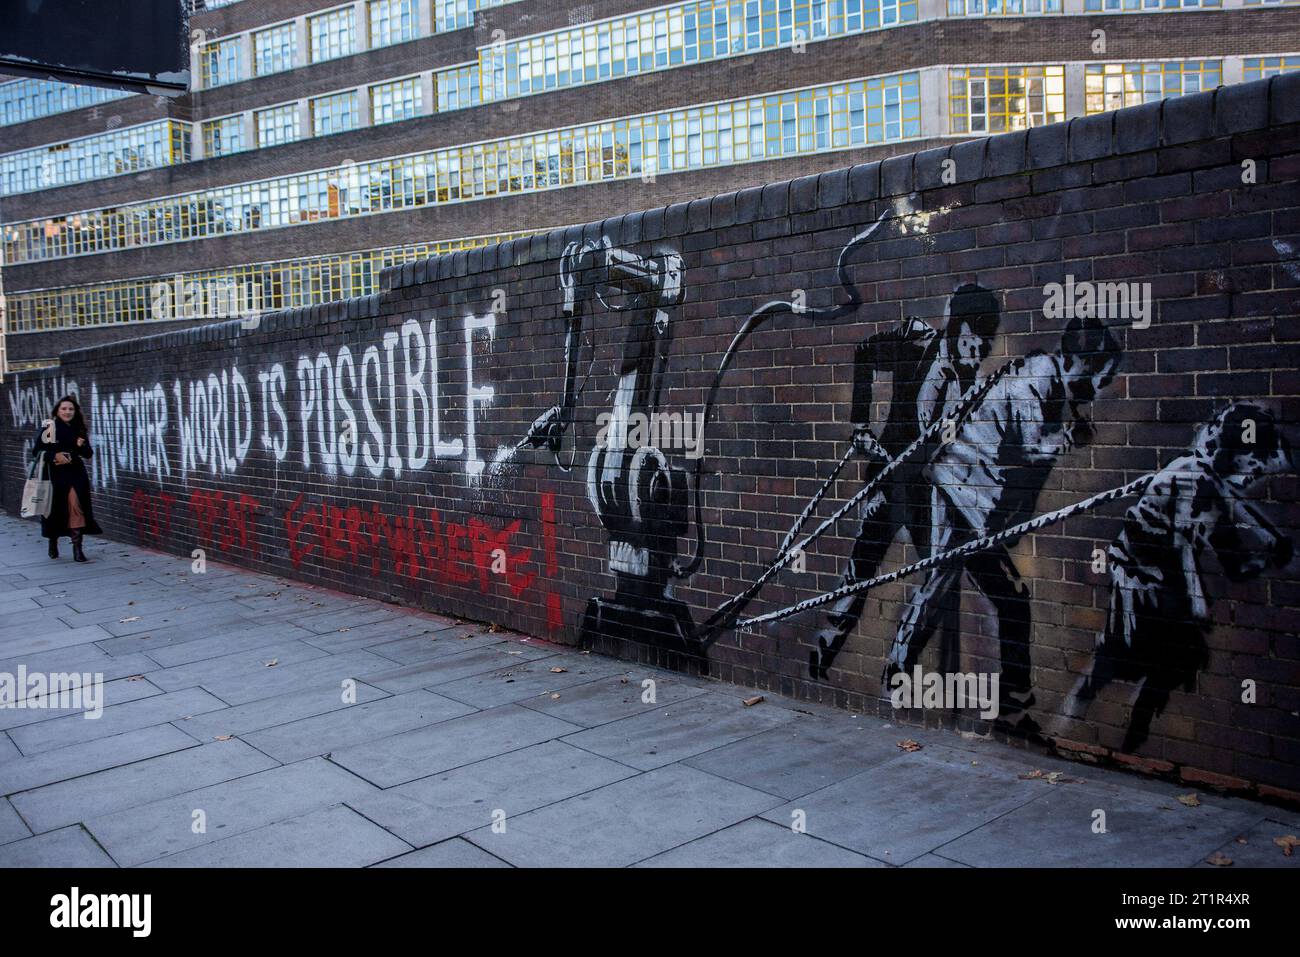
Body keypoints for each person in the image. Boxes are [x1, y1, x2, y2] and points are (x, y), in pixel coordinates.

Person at [884, 312, 1121, 722]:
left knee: (988, 593)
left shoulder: (1047, 381)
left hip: (973, 499)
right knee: (953, 586)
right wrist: (1069, 438)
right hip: (961, 492)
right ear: (1073, 360)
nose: (1099, 385)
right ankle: (904, 671)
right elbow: (1027, 449)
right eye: (1095, 373)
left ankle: (1003, 692)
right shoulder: (1035, 381)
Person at [1067, 402, 1293, 750]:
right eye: (1254, 462)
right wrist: (1196, 605)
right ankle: (1082, 720)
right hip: (1139, 578)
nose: (1256, 474)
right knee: (1124, 657)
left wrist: (1265, 559)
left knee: (1171, 660)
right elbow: (1179, 550)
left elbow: (1232, 561)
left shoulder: (1216, 491)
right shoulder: (1189, 476)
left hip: (1161, 582)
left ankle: (1131, 736)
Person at [810, 283, 1001, 680]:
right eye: (973, 337)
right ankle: (826, 650)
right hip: (889, 483)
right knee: (859, 573)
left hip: (929, 495)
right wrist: (860, 424)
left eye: (986, 341)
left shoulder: (976, 386)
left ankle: (899, 669)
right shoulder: (915, 342)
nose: (978, 348)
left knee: (935, 580)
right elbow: (863, 353)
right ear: (956, 327)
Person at [33, 396, 101, 562]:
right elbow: (37, 451)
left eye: (71, 409)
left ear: (75, 411)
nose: (67, 412)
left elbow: (88, 454)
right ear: (57, 410)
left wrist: (81, 445)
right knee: (54, 512)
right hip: (54, 476)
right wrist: (54, 456)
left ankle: (77, 549)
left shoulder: (79, 428)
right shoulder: (49, 427)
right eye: (64, 409)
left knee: (76, 507)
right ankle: (53, 541)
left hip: (76, 475)